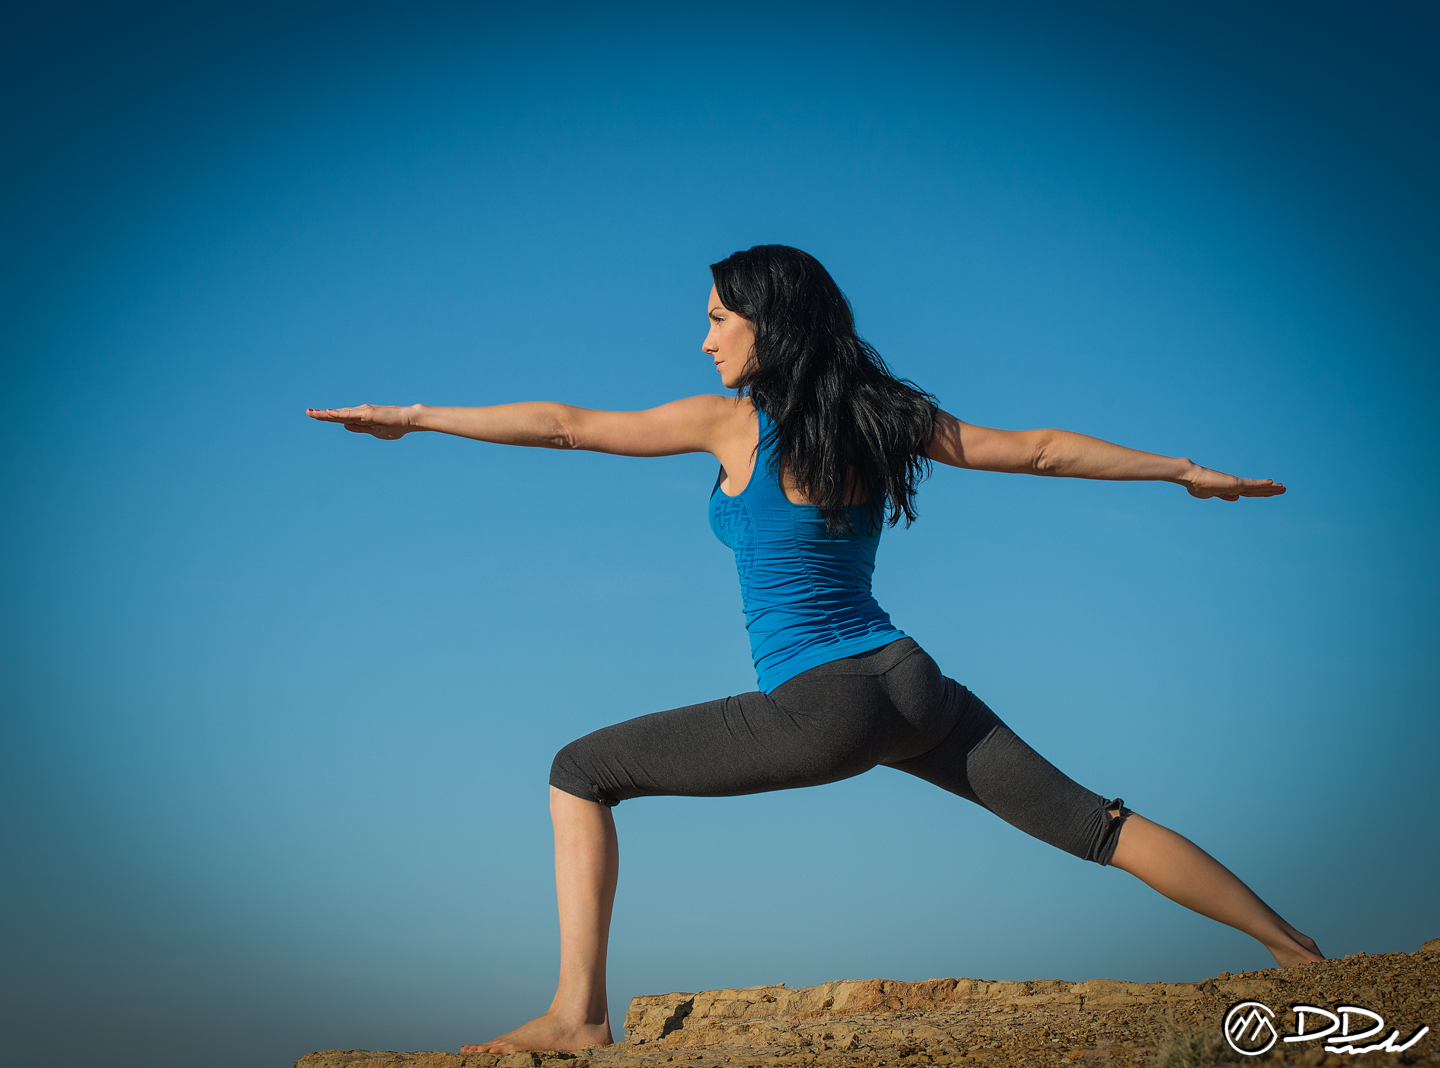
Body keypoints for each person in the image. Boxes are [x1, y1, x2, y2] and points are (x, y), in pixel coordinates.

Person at [307, 244, 1323, 1055]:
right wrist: (1183, 470)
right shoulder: (888, 420)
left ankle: (577, 1014)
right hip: (911, 683)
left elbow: (568, 426)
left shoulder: (733, 425)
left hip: (822, 702)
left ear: (770, 322)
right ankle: (1301, 957)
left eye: (718, 317)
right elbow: (1044, 451)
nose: (704, 338)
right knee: (1097, 826)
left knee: (579, 771)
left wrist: (415, 417)